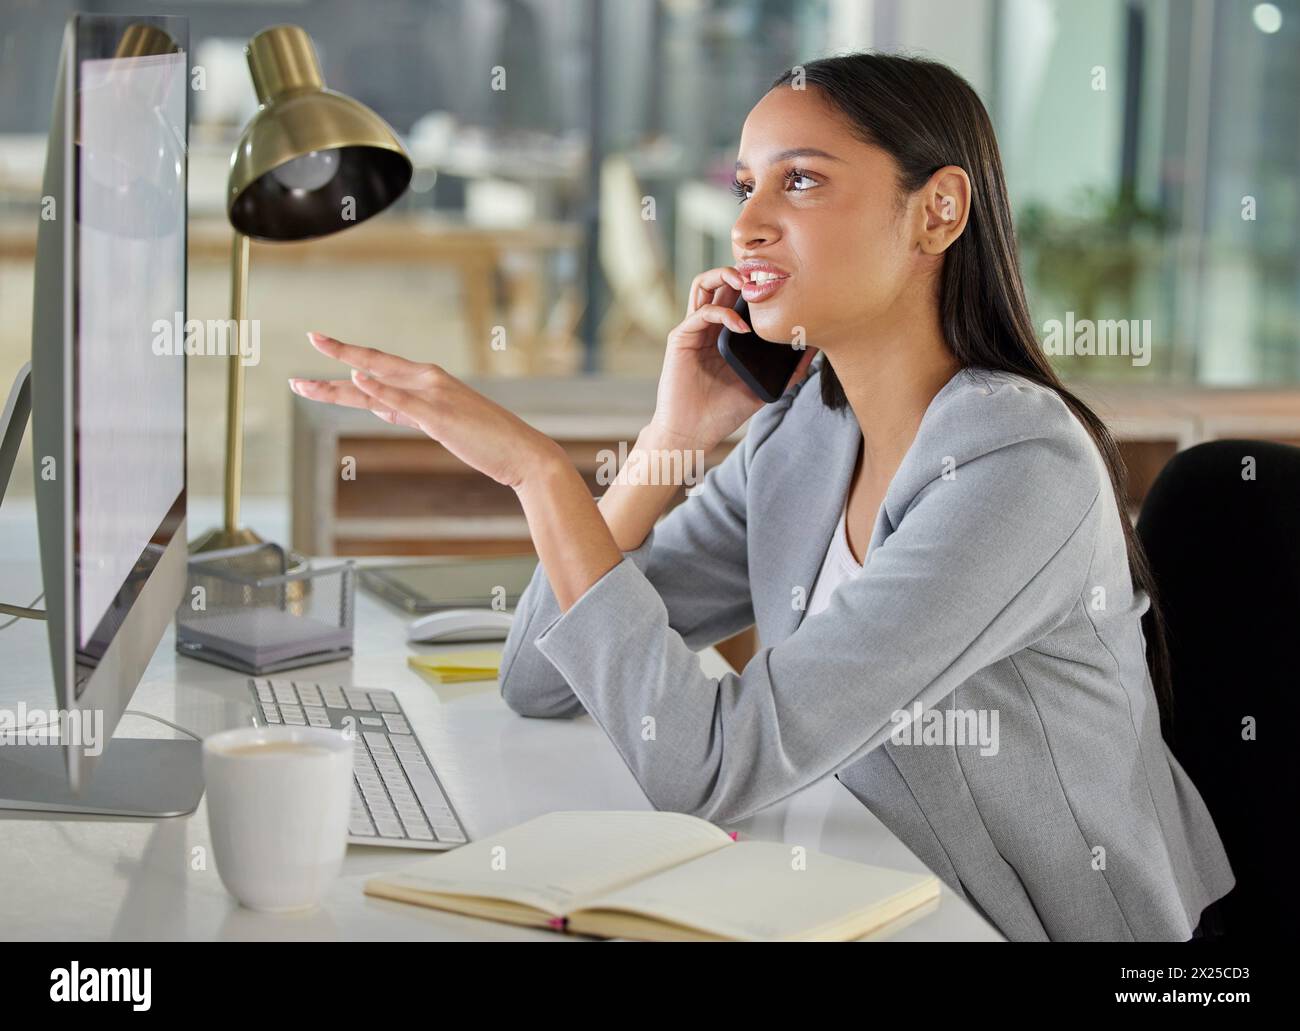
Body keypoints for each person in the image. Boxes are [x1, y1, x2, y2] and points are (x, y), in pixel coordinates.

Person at [289, 52, 1234, 942]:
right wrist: (670, 443)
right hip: (872, 882)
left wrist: (540, 475)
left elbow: (708, 769)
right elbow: (540, 676)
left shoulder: (1018, 470)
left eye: (803, 180)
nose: (747, 224)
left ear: (938, 212)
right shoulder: (804, 434)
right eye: (746, 185)